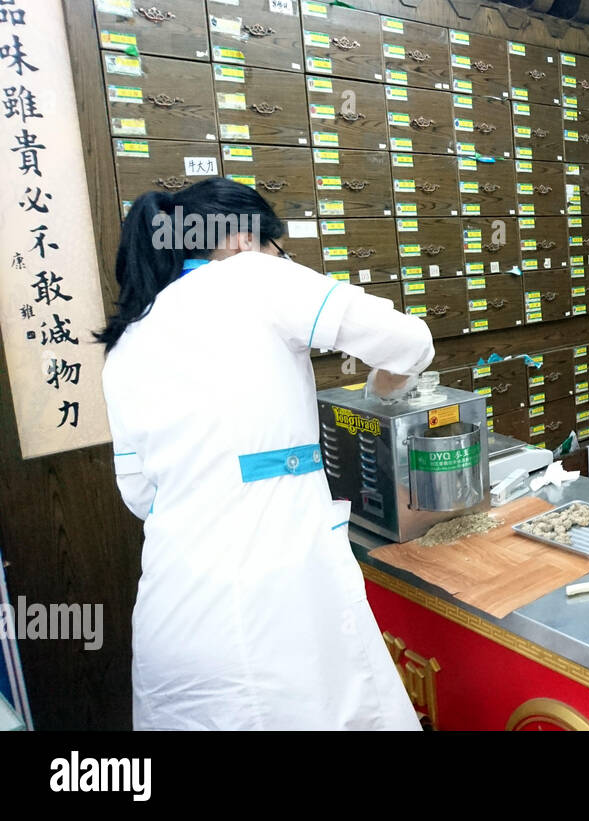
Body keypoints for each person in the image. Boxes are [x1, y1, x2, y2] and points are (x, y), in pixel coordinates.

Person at [97, 178, 431, 730]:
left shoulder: (130, 337)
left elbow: (138, 494)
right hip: (275, 604)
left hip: (173, 605)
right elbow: (410, 341)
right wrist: (384, 383)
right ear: (245, 241)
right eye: (282, 250)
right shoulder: (252, 276)